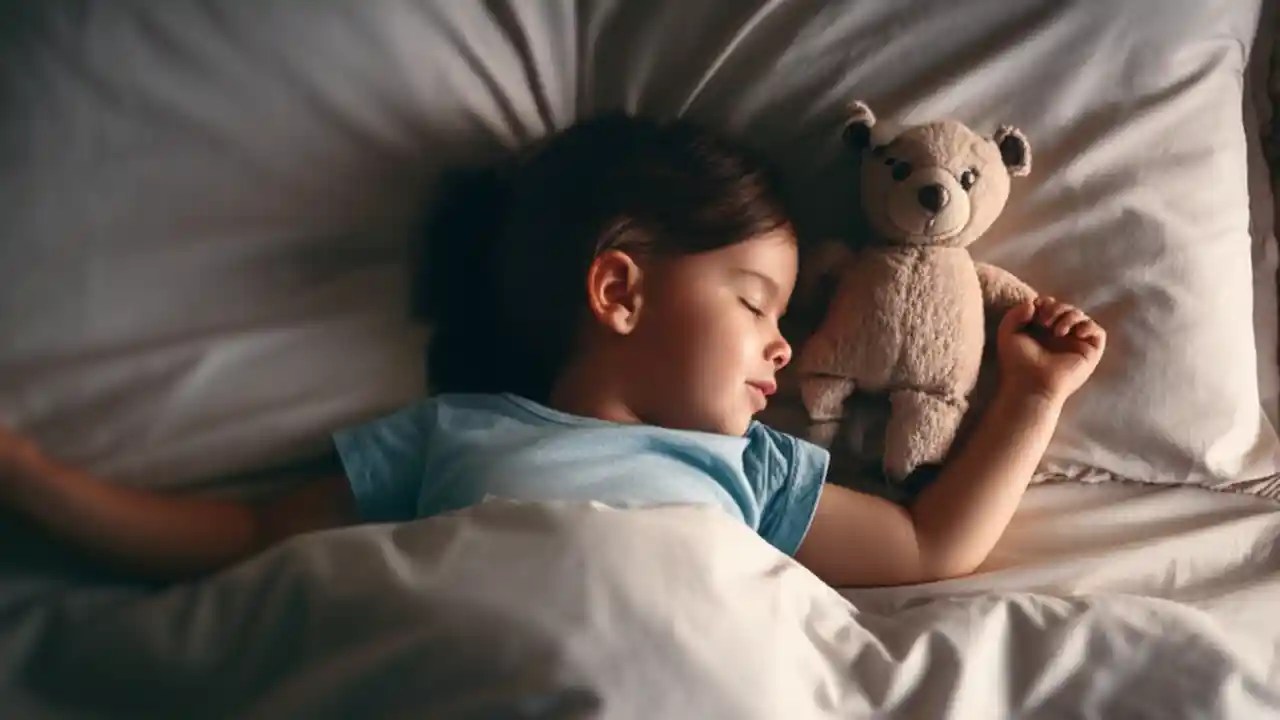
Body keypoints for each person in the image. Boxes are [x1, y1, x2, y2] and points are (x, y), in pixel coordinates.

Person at [0, 114, 1105, 587]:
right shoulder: (449, 438)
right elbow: (240, 536)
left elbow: (927, 545)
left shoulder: (750, 471)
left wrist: (1030, 395)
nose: (785, 345)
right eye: (754, 303)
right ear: (619, 290)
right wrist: (30, 474)